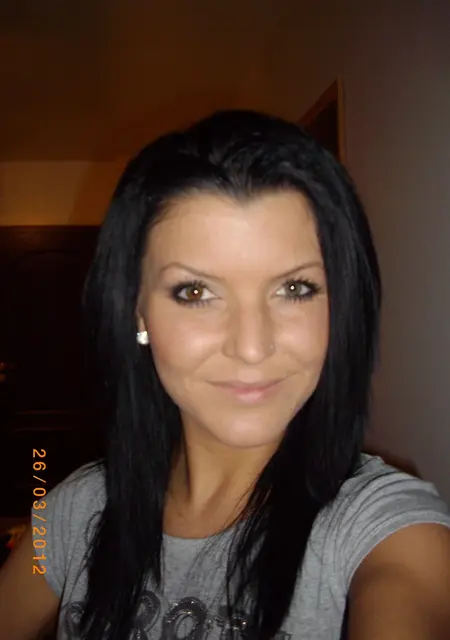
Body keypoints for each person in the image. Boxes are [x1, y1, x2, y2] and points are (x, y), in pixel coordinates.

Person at [1, 110, 449, 640]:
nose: (252, 347)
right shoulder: (71, 512)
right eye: (196, 292)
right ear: (137, 312)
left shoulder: (386, 530)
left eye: (295, 288)